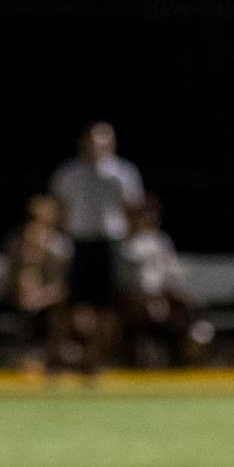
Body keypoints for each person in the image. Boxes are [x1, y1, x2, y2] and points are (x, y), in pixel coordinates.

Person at [49, 122, 144, 377]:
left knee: (107, 307)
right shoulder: (68, 173)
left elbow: (133, 210)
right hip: (79, 243)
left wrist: (129, 241)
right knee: (67, 302)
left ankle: (93, 363)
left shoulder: (123, 173)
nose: (97, 148)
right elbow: (59, 209)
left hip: (109, 243)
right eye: (93, 142)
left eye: (103, 143)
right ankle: (55, 360)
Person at [116, 196, 193, 366]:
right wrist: (143, 297)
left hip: (161, 294)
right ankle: (138, 358)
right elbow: (123, 279)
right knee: (148, 312)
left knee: (182, 307)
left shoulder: (161, 240)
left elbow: (170, 272)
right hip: (134, 297)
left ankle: (180, 359)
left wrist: (171, 293)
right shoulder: (123, 242)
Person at [5, 194, 73, 379]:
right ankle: (40, 359)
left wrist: (47, 294)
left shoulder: (59, 242)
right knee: (28, 281)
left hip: (52, 295)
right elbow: (21, 276)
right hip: (26, 296)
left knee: (64, 306)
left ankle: (54, 360)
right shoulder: (24, 237)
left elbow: (63, 278)